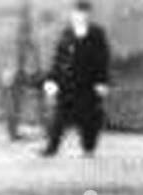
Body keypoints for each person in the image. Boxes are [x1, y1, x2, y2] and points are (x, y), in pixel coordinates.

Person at [42, 1, 112, 157]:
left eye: (83, 14)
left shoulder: (97, 34)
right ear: (72, 15)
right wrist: (51, 80)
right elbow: (58, 60)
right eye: (77, 14)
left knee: (89, 119)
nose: (80, 17)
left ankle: (88, 148)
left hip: (88, 85)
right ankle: (51, 148)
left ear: (88, 15)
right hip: (67, 84)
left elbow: (103, 59)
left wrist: (102, 82)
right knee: (58, 118)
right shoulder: (66, 34)